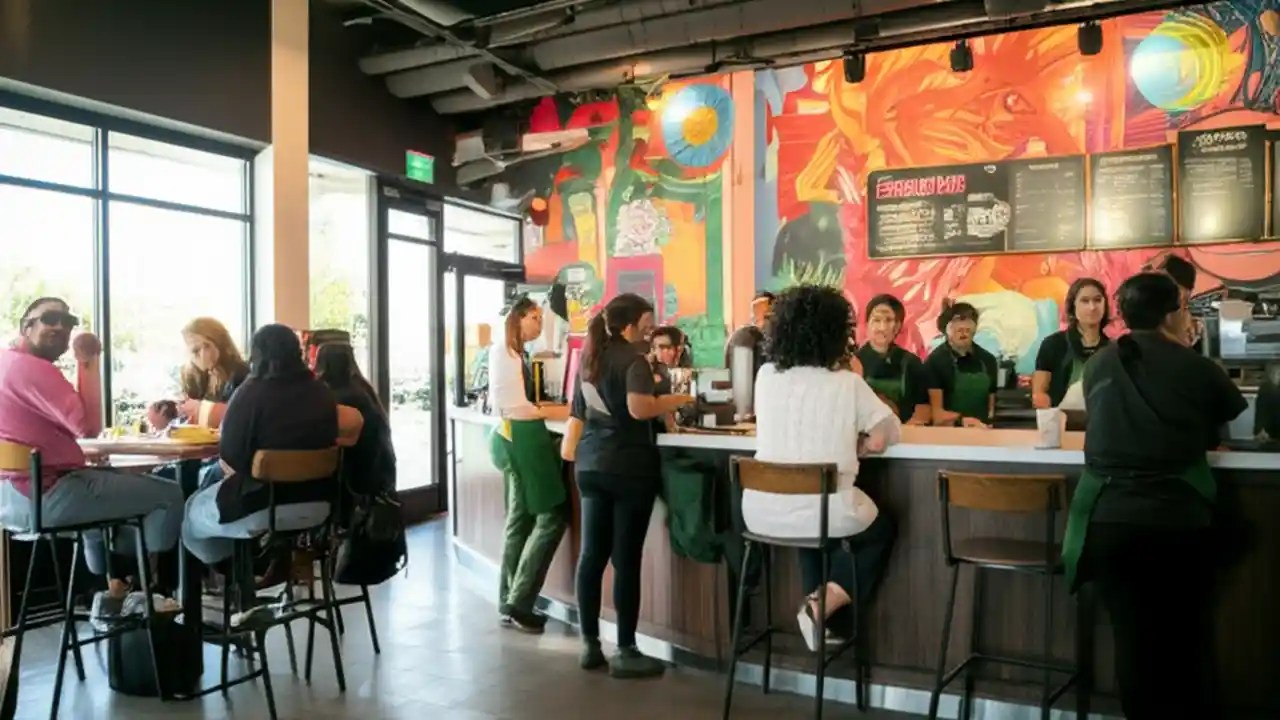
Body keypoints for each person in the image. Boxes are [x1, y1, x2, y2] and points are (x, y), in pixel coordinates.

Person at [1063, 272, 1246, 718]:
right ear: (1172, 314)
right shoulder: (1199, 367)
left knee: (1132, 642)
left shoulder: (1103, 362)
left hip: (1107, 523)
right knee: (1182, 641)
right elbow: (1234, 423)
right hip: (1175, 524)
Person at [0, 297, 184, 622]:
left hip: (11, 500)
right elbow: (88, 426)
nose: (61, 326)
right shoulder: (34, 368)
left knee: (101, 508)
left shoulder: (6, 363)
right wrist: (89, 361)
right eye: (50, 318)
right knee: (169, 495)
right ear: (26, 325)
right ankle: (146, 590)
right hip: (47, 495)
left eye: (68, 321)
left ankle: (111, 590)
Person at [747, 285, 900, 651]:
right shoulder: (847, 382)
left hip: (760, 512)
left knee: (809, 521)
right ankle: (822, 606)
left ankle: (822, 621)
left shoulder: (766, 376)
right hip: (823, 510)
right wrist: (859, 442)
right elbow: (884, 435)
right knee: (881, 527)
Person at [568, 293, 692, 678]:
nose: (650, 326)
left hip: (590, 466)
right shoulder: (634, 360)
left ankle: (589, 643)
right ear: (629, 324)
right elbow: (639, 408)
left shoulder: (590, 358)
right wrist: (677, 398)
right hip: (629, 467)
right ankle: (626, 649)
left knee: (592, 556)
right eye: (646, 320)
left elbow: (578, 414)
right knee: (625, 560)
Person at [182, 324, 363, 566]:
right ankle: (256, 568)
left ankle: (236, 574)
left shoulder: (249, 394)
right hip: (320, 505)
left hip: (259, 507)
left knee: (191, 511)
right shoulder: (321, 393)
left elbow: (231, 457)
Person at [487, 296, 569, 634]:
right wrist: (554, 412)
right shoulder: (507, 353)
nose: (539, 324)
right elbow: (519, 407)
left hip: (510, 437)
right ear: (519, 319)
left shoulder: (508, 351)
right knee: (552, 516)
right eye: (534, 318)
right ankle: (521, 603)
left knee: (519, 521)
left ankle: (508, 600)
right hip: (524, 436)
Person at [1032, 278, 1111, 409]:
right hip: (1061, 422)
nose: (1092, 307)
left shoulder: (1112, 349)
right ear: (1073, 306)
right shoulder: (1053, 344)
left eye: (1097, 300)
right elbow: (1039, 394)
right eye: (1085, 301)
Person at [855, 294, 930, 424]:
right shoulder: (854, 362)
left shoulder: (911, 363)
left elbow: (923, 407)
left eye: (888, 320)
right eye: (877, 320)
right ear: (867, 324)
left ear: (897, 326)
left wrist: (910, 428)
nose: (882, 328)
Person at [925, 301, 997, 428]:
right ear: (946, 330)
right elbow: (936, 415)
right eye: (958, 328)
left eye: (968, 327)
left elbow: (991, 408)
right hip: (949, 435)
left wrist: (990, 423)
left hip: (983, 433)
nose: (963, 332)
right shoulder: (935, 362)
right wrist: (961, 421)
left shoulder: (988, 360)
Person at [176, 317, 250, 428]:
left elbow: (241, 417)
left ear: (221, 344)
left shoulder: (241, 374)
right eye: (195, 351)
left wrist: (203, 410)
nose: (204, 354)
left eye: (207, 346)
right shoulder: (191, 377)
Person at [724, 290, 774, 382]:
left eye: (765, 316)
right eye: (755, 316)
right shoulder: (742, 338)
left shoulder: (780, 344)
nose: (760, 321)